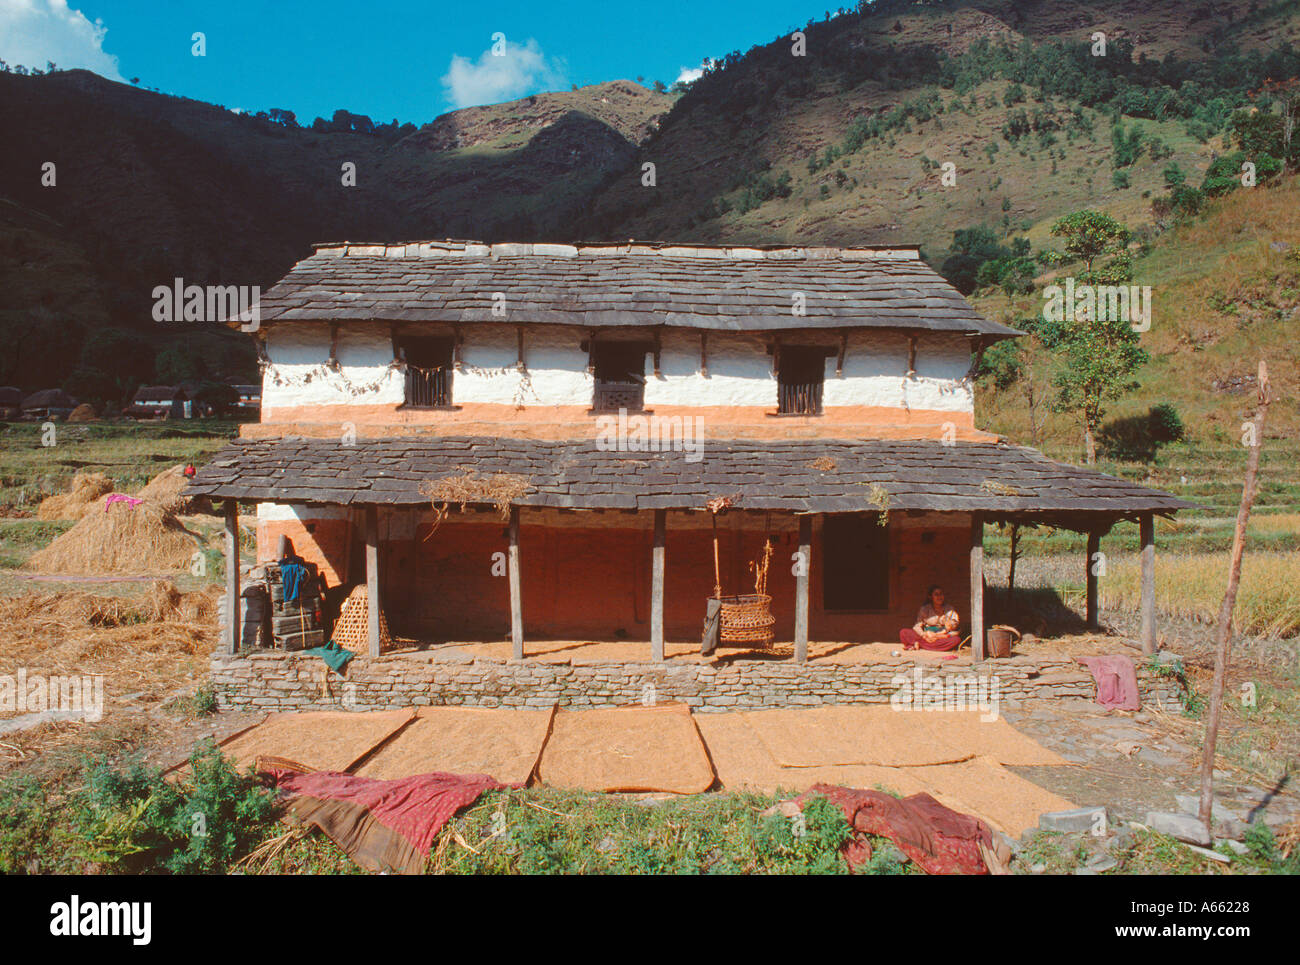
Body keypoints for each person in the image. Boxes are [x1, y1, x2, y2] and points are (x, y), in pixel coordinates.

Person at [900, 584, 961, 651]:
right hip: (927, 637)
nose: (939, 597)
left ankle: (921, 645)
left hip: (942, 637)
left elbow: (955, 624)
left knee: (956, 640)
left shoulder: (949, 609)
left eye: (941, 594)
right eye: (936, 594)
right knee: (904, 632)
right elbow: (917, 626)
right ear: (931, 597)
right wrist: (924, 635)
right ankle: (932, 646)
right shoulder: (925, 609)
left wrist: (939, 635)